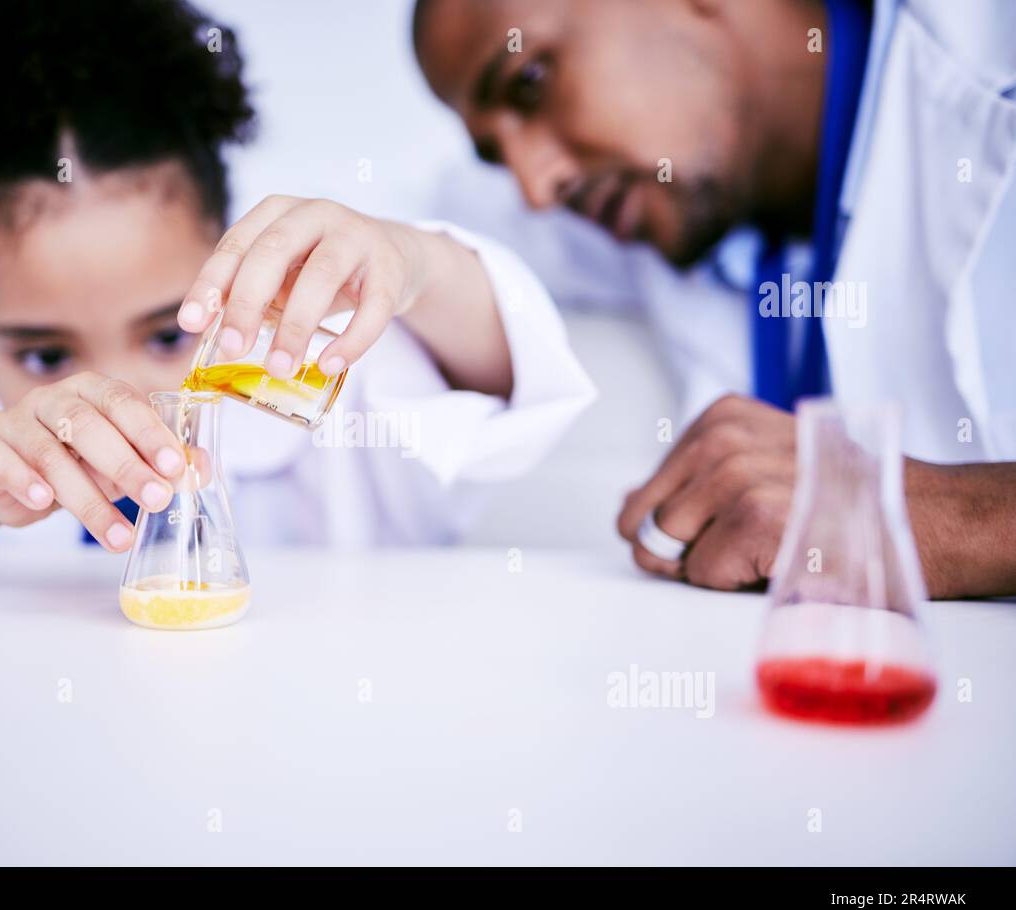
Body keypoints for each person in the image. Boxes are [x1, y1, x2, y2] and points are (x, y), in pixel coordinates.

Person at [0, 0, 593, 567]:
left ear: (238, 273)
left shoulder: (331, 414)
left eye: (170, 334)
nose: (118, 397)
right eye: (46, 352)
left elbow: (507, 365)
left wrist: (412, 263)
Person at [412, 0, 1016, 597]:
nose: (536, 186)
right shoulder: (650, 204)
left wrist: (945, 514)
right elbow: (425, 240)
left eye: (530, 81)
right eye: (494, 153)